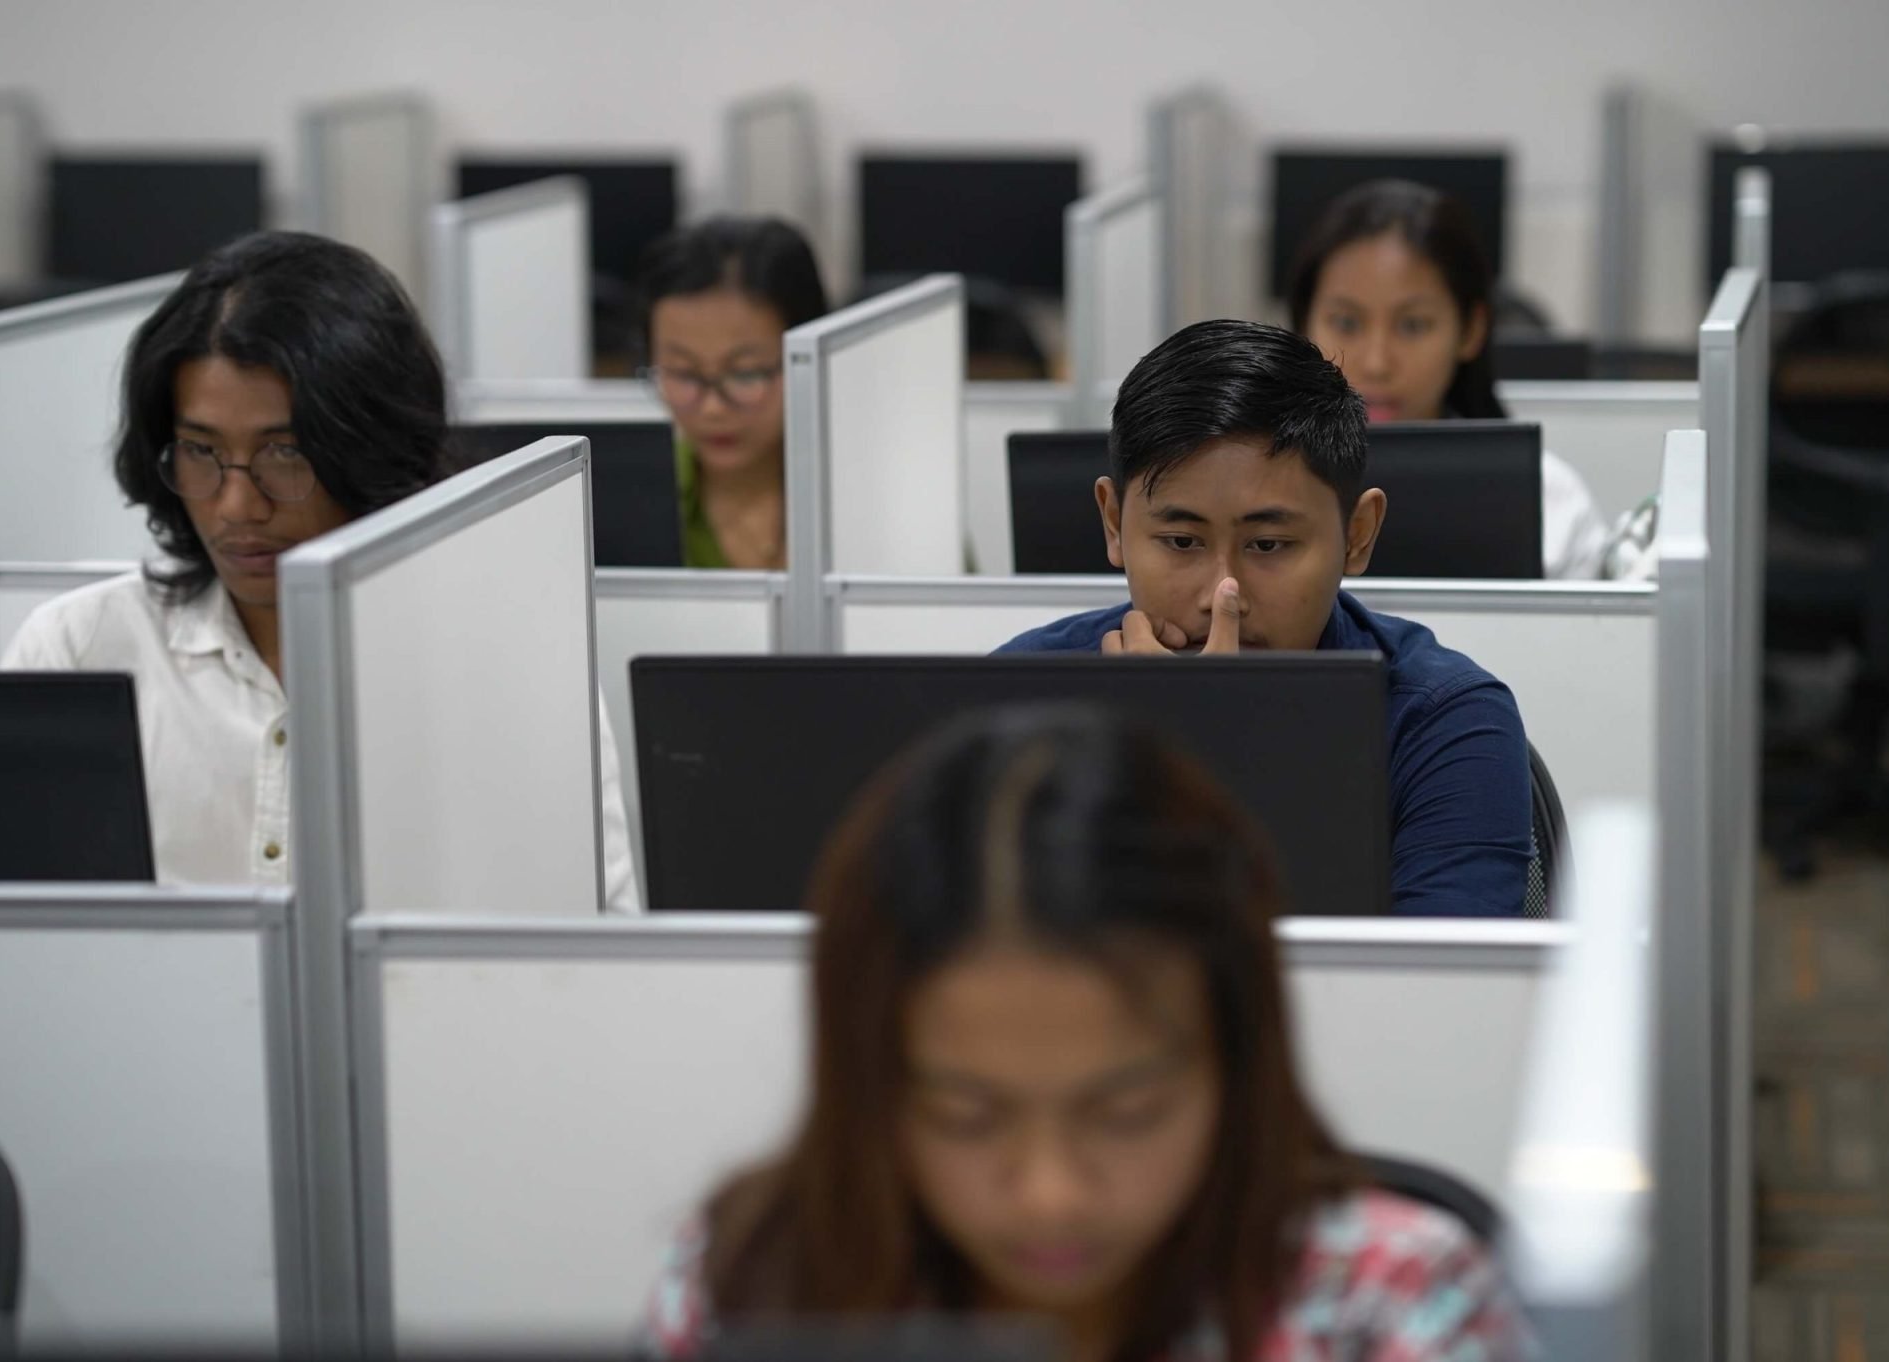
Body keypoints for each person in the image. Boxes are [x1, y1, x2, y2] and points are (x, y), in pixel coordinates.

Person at [645, 705, 1530, 1362]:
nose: (1050, 1195)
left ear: (1236, 1063)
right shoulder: (748, 1290)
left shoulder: (1392, 1302)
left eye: (1128, 1111)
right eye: (966, 1115)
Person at [2, 231, 637, 908]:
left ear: (368, 451)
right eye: (199, 450)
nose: (237, 505)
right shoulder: (78, 651)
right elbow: (15, 945)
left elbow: (597, 937)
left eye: (285, 454)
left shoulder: (508, 663)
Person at [996, 320, 1531, 918]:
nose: (1222, 594)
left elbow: (1442, 991)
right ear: (1115, 524)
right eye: (1179, 541)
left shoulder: (1443, 720)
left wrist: (1212, 760)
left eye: (1268, 546)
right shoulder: (1019, 696)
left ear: (1357, 534)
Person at [1287, 179, 1612, 579]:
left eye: (1412, 326)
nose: (1376, 363)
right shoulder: (1250, 487)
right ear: (1303, 326)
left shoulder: (1552, 501)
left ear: (1470, 331)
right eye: (1346, 323)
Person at [633, 216, 829, 570]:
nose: (711, 409)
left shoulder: (881, 495)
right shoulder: (625, 502)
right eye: (684, 373)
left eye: (744, 373)